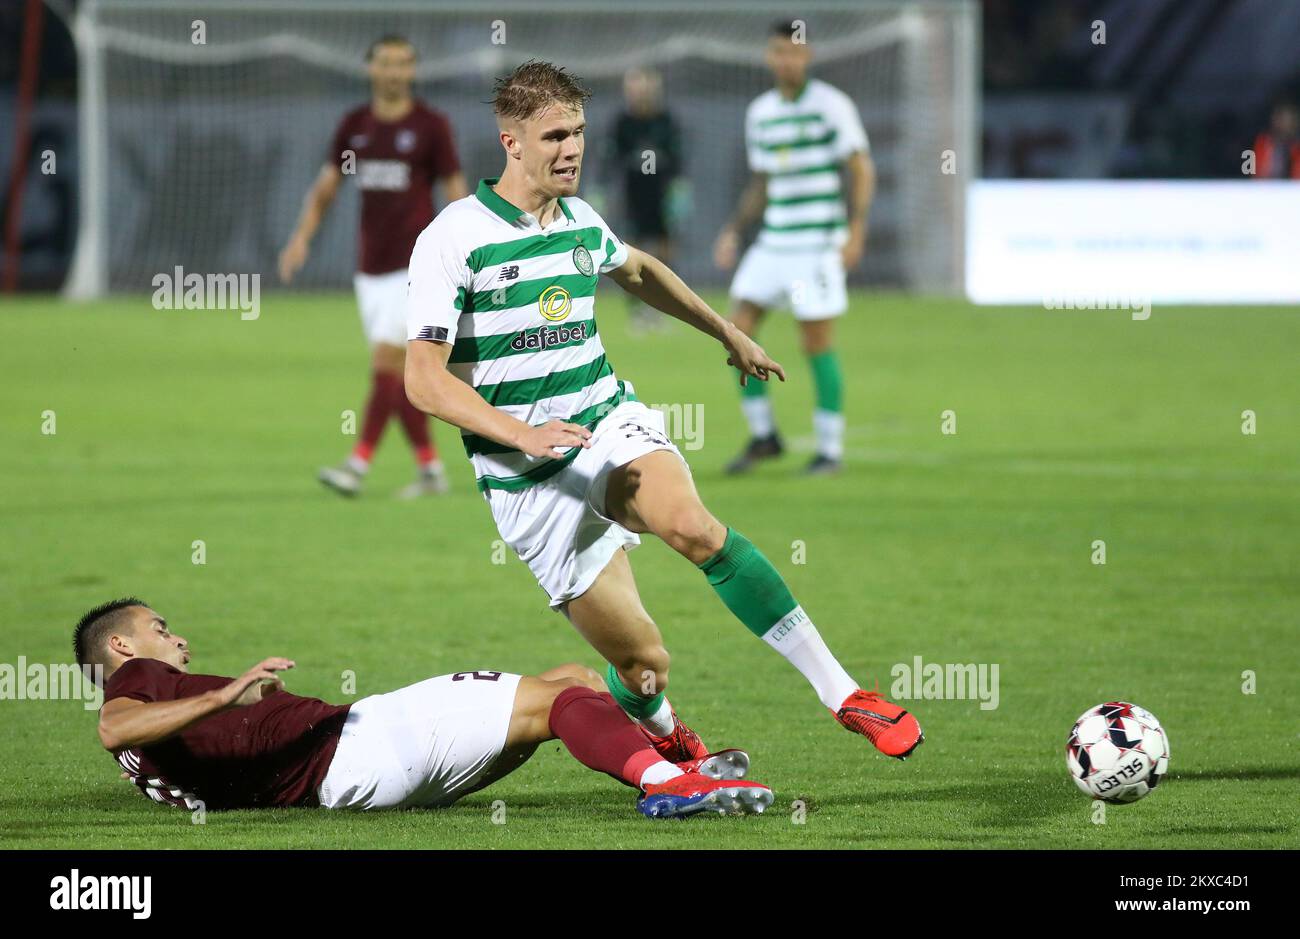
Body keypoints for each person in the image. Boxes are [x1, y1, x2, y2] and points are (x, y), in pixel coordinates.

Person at [403, 61, 923, 766]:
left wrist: (726, 331)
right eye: (555, 135)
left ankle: (844, 692)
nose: (572, 149)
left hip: (608, 421)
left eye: (579, 132)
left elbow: (640, 270)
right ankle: (664, 729)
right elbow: (425, 383)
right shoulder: (453, 237)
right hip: (528, 481)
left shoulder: (581, 221)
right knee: (644, 664)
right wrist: (528, 434)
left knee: (693, 526)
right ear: (511, 143)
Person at [76, 597, 771, 819]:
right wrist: (229, 693)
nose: (177, 636)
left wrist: (232, 707)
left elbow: (143, 742)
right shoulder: (131, 683)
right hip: (360, 745)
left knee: (569, 679)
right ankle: (672, 784)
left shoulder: (150, 747)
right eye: (159, 626)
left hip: (355, 775)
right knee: (564, 694)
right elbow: (113, 726)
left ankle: (684, 759)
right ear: (120, 643)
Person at [278, 35, 467, 499]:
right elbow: (327, 188)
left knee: (387, 363)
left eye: (403, 64)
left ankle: (357, 465)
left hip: (417, 266)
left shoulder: (430, 126)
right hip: (370, 269)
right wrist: (302, 237)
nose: (394, 72)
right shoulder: (355, 127)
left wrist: (464, 252)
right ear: (370, 69)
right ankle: (430, 469)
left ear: (413, 71)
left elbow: (455, 192)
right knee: (400, 375)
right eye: (385, 63)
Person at [713, 20, 877, 476]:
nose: (786, 60)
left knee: (815, 342)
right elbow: (761, 182)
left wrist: (856, 229)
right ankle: (765, 436)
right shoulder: (761, 112)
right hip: (773, 242)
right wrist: (733, 229)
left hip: (817, 245)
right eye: (779, 52)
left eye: (794, 53)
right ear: (770, 57)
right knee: (735, 329)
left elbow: (861, 168)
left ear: (807, 56)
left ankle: (830, 450)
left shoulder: (831, 105)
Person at [611, 67, 683, 334]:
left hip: (661, 195)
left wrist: (679, 190)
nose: (640, 93)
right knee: (633, 254)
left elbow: (678, 158)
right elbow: (611, 159)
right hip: (634, 195)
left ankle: (664, 309)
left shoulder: (665, 120)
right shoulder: (623, 123)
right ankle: (638, 311)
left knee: (665, 253)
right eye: (634, 88)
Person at [1251, 100, 1300, 179]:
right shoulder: (1263, 142)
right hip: (1267, 188)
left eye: (1287, 119)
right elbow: (1256, 174)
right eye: (1279, 117)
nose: (1282, 123)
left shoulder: (1297, 147)